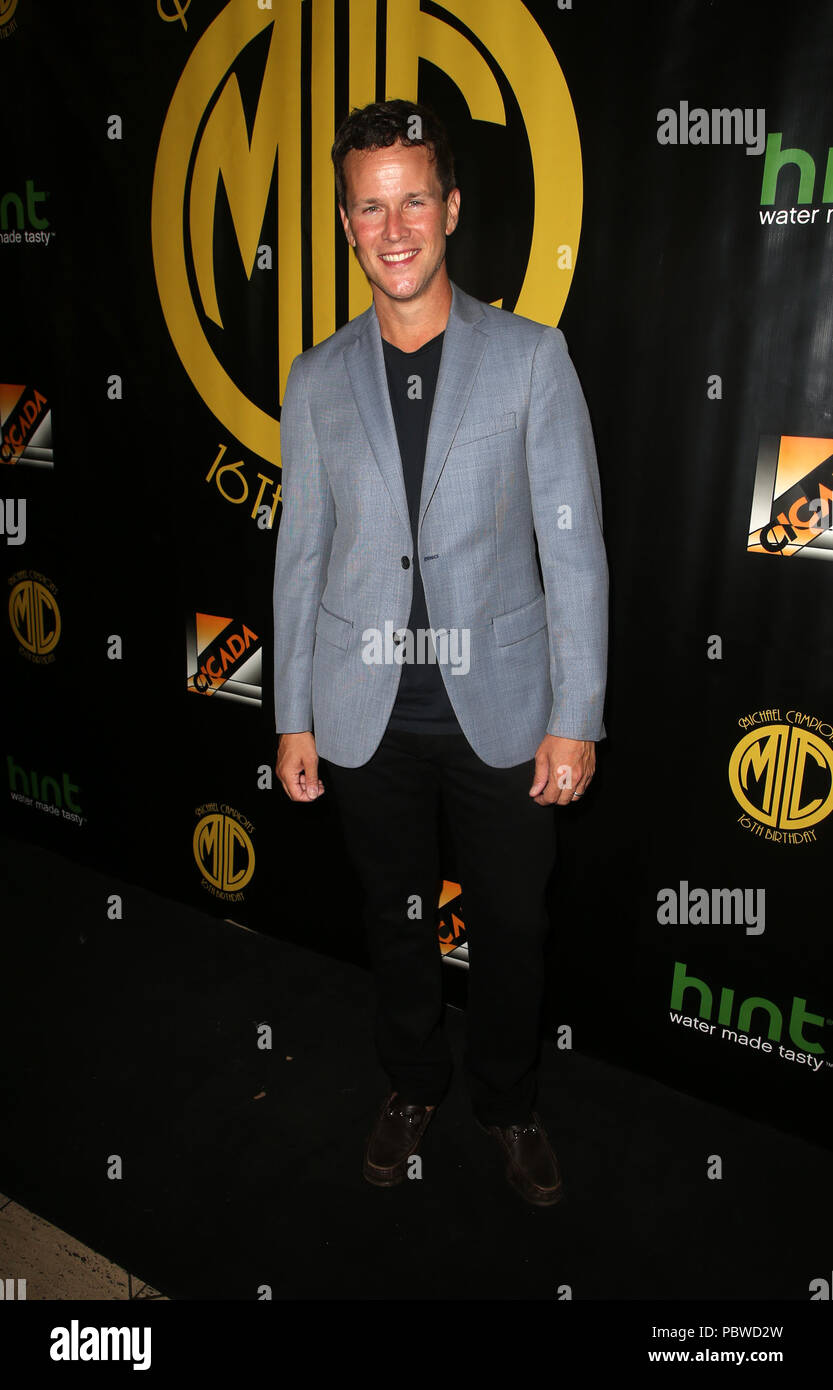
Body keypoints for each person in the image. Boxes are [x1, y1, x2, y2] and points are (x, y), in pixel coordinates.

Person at [273, 99, 608, 1207]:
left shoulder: (529, 357)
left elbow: (574, 552)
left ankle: (506, 1099)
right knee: (394, 916)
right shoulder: (315, 379)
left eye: (414, 196)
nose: (394, 224)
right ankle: (411, 1079)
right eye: (370, 205)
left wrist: (576, 713)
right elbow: (302, 553)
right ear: (344, 223)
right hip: (365, 707)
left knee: (512, 925)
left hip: (505, 710)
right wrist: (291, 713)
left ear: (451, 207)